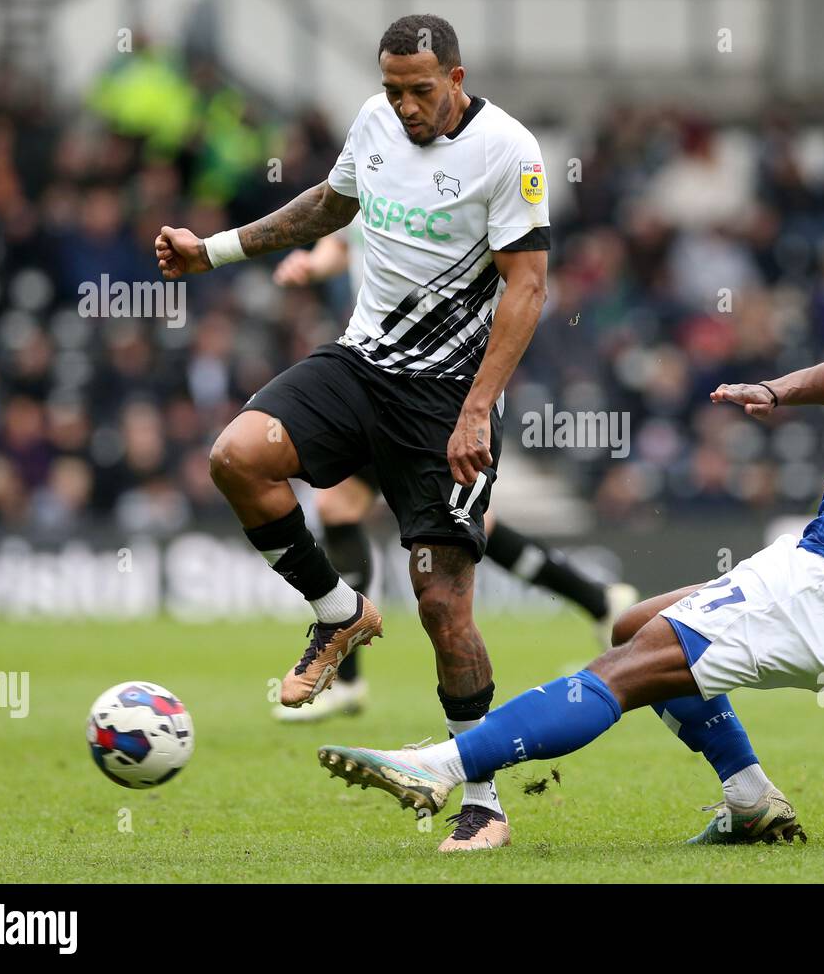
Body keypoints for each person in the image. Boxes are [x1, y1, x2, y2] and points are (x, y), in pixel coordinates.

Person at [317, 220, 824, 845]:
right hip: (813, 572)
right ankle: (751, 798)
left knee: (621, 671)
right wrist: (776, 391)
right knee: (633, 624)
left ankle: (441, 765)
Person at [156, 14, 558, 851]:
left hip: (446, 399)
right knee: (236, 456)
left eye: (420, 90)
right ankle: (337, 612)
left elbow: (526, 289)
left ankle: (481, 798)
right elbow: (328, 207)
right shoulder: (374, 125)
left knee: (444, 606)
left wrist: (478, 409)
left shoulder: (509, 151)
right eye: (392, 90)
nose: (405, 107)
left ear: (456, 76)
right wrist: (216, 250)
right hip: (359, 366)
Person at [270, 231, 636, 723]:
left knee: (442, 532)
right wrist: (314, 264)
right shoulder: (371, 169)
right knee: (447, 524)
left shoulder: (440, 183)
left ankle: (355, 680)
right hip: (380, 375)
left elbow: (517, 278)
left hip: (427, 388)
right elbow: (343, 241)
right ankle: (599, 600)